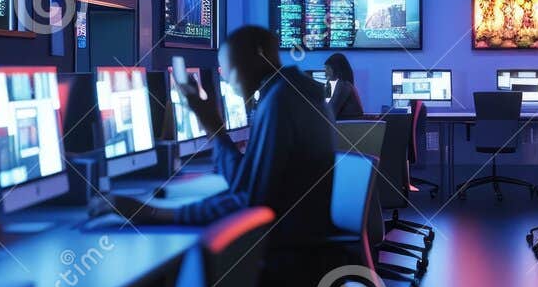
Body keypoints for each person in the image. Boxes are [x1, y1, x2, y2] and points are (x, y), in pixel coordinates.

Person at [104, 26, 335, 252]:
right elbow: (245, 186)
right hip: (301, 241)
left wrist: (153, 213)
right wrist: (212, 123)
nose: (231, 86)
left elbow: (249, 203)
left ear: (255, 59)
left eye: (230, 70)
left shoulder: (280, 102)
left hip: (283, 255)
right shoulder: (293, 92)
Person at [323, 52, 365, 120]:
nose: (325, 73)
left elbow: (331, 110)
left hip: (348, 127)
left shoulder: (343, 85)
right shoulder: (345, 84)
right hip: (349, 126)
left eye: (327, 68)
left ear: (336, 68)